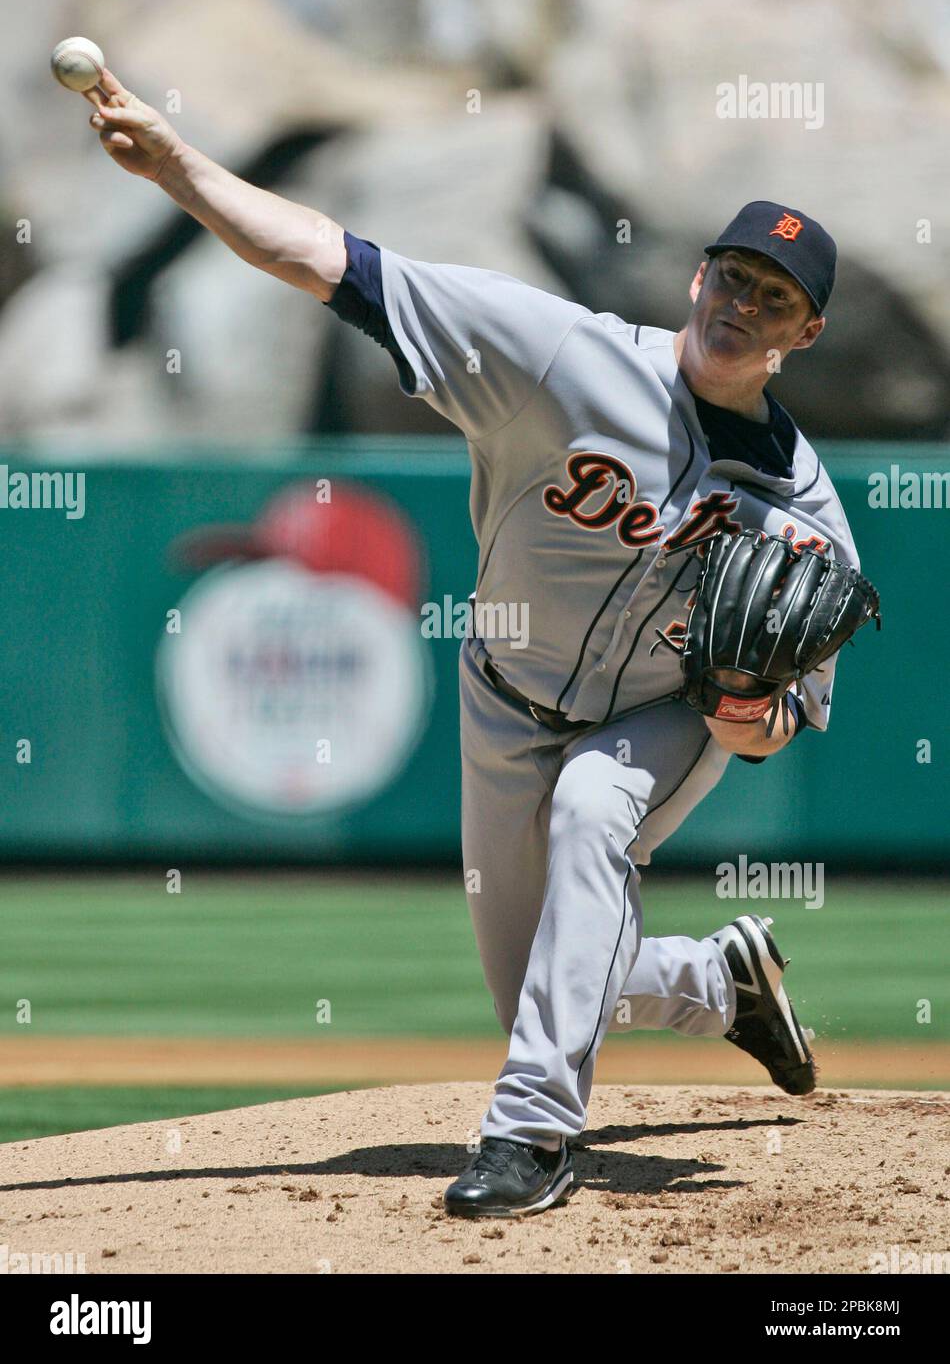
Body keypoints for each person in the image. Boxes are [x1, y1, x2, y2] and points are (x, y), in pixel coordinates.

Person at [86, 71, 859, 1219]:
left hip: (655, 717)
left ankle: (531, 1134)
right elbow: (330, 260)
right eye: (733, 277)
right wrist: (177, 169)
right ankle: (717, 980)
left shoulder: (806, 518)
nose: (742, 304)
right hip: (503, 696)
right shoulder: (559, 354)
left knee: (596, 811)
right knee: (539, 987)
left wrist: (755, 717)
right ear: (697, 277)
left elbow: (790, 711)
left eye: (773, 298)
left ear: (805, 332)